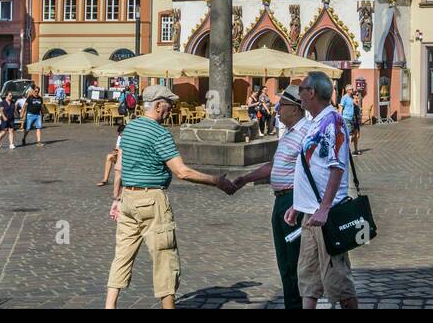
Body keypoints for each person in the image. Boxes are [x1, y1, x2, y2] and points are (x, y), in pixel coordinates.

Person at [105, 85, 232, 309]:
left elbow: (119, 168)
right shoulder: (159, 133)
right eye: (168, 104)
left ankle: (110, 306)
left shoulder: (130, 128)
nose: (171, 108)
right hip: (152, 199)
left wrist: (116, 198)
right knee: (164, 256)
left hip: (128, 198)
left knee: (122, 255)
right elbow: (182, 172)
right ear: (157, 105)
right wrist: (216, 181)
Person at [227, 84, 308, 309]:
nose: (278, 109)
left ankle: (299, 304)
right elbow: (274, 165)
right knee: (284, 262)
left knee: (295, 261)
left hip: (294, 202)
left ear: (296, 108)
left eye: (282, 105)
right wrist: (244, 179)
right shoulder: (289, 133)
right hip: (280, 201)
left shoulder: (307, 132)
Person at [285, 71, 358, 310]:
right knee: (308, 276)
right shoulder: (316, 122)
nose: (300, 95)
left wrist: (325, 208)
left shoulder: (332, 121)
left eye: (302, 90)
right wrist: (299, 203)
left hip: (327, 214)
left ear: (312, 92)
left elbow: (336, 167)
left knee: (337, 281)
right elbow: (312, 168)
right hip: (310, 212)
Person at [339, 85, 360, 156]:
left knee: (356, 135)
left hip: (353, 118)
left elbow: (356, 105)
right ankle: (345, 151)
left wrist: (356, 99)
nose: (352, 90)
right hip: (346, 118)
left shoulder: (352, 97)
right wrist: (340, 118)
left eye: (352, 89)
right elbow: (341, 108)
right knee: (350, 135)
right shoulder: (344, 98)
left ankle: (354, 150)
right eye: (351, 89)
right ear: (347, 90)